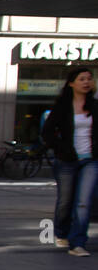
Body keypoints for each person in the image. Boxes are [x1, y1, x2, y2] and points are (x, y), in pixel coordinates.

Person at [41, 66, 97, 256]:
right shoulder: (62, 106)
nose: (86, 82)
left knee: (83, 202)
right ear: (72, 83)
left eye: (89, 79)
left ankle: (78, 243)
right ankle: (61, 233)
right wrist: (61, 148)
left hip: (90, 160)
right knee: (65, 202)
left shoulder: (95, 106)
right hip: (66, 161)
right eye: (82, 79)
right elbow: (47, 132)